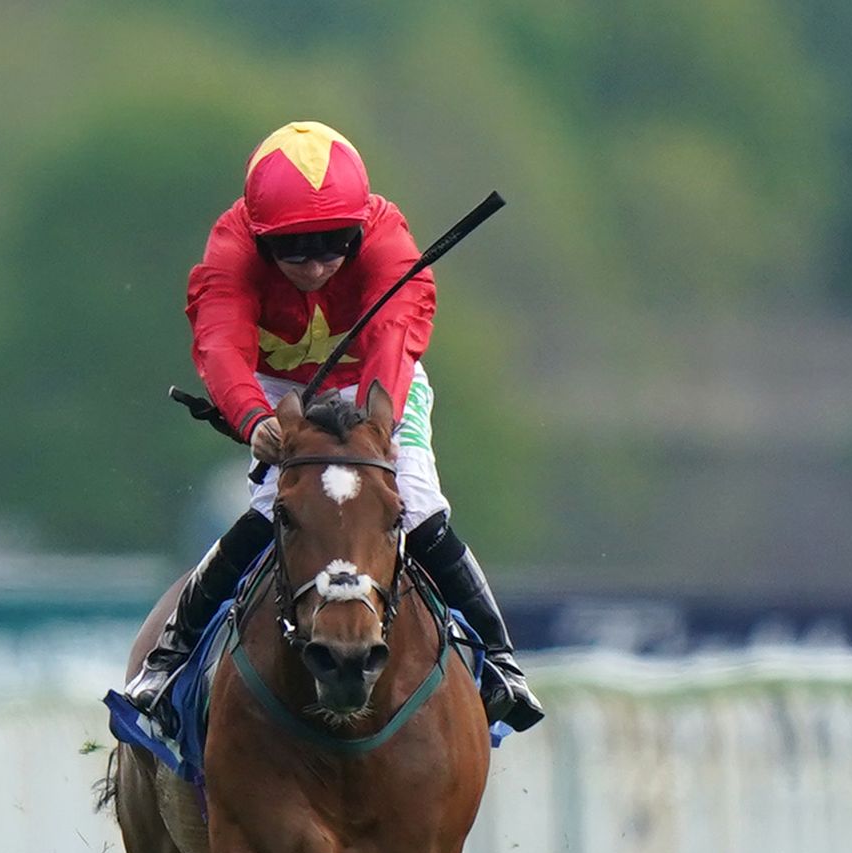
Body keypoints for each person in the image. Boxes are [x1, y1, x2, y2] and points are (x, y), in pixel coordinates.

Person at [124, 120, 544, 732]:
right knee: (274, 505)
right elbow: (219, 347)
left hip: (373, 383)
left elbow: (394, 341)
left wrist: (378, 425)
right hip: (275, 389)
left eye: (334, 243)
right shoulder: (230, 252)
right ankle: (170, 657)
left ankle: (501, 661)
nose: (316, 264)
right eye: (292, 248)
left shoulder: (388, 242)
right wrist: (252, 420)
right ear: (258, 236)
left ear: (361, 229)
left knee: (419, 504)